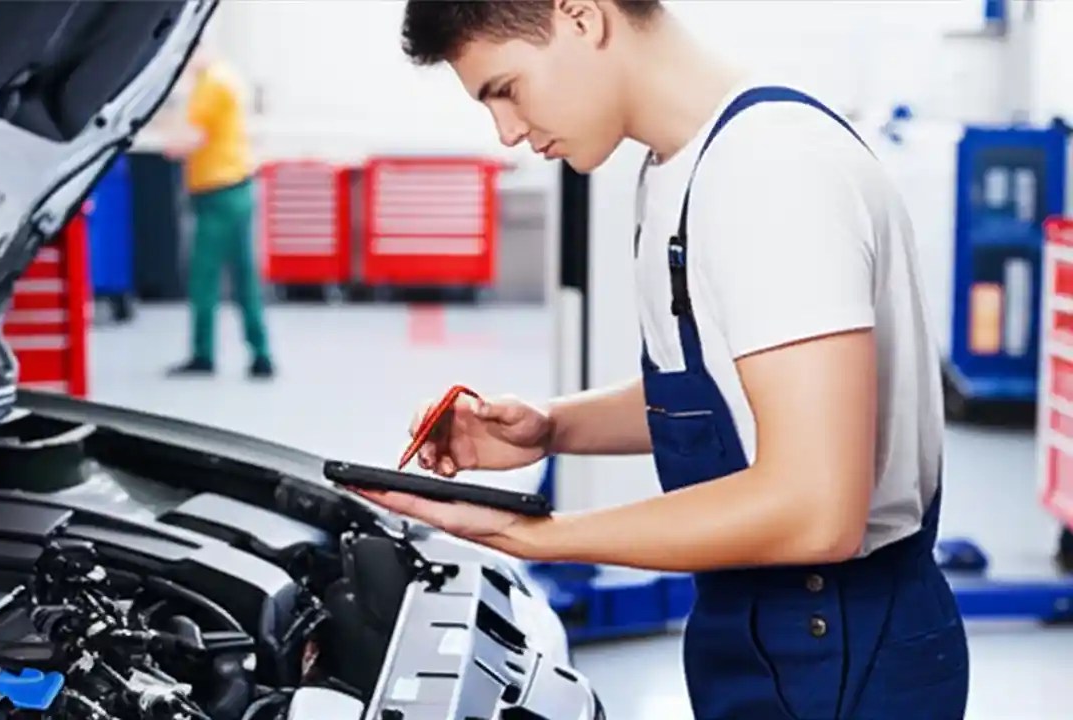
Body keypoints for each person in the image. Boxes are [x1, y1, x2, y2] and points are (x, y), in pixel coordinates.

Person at [355, 2, 969, 719]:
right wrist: (551, 426)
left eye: (506, 89)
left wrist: (539, 536)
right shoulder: (678, 167)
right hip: (767, 621)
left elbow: (817, 510)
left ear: (581, 16)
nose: (507, 132)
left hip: (841, 641)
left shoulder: (771, 172)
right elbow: (737, 393)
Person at [165, 51, 274, 379]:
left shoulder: (210, 84)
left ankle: (203, 355)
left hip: (218, 195)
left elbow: (189, 139)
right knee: (245, 278)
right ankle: (261, 354)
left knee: (204, 277)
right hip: (237, 189)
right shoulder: (227, 76)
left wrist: (167, 138)